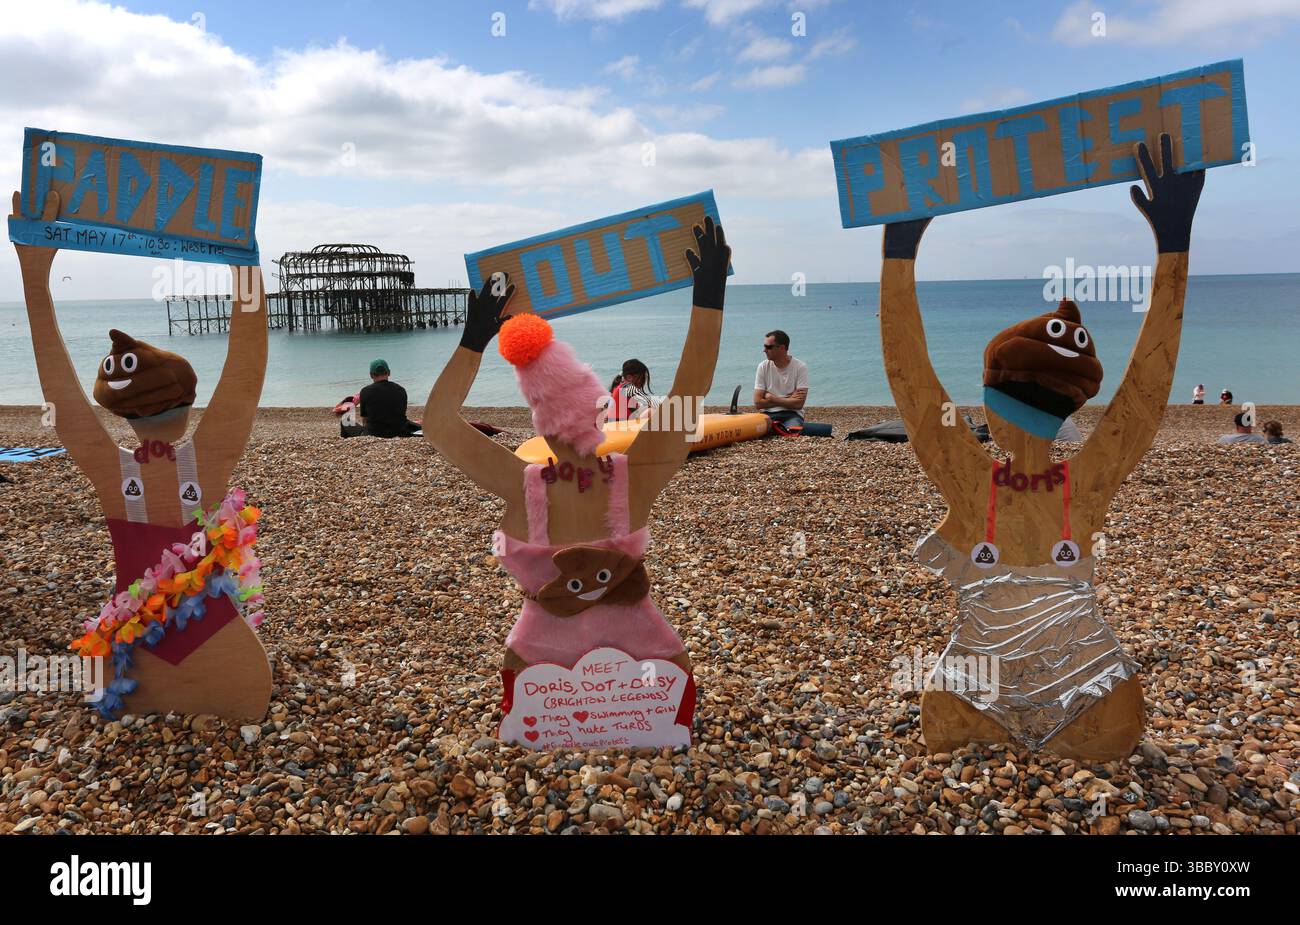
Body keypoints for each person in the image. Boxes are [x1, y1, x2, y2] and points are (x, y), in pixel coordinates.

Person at [877, 134, 1203, 760]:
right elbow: (1147, 390)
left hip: (1048, 697)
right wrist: (1173, 244)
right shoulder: (1083, 481)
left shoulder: (973, 482)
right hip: (1068, 699)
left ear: (993, 415)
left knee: (956, 721)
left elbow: (911, 381)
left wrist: (898, 253)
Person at [424, 217, 730, 748]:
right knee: (669, 671)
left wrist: (474, 337)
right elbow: (689, 391)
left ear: (540, 422)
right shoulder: (633, 474)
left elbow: (438, 424)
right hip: (642, 651)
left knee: (524, 678)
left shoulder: (524, 483)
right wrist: (708, 297)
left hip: (540, 658)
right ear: (599, 408)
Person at [11, 189, 271, 719]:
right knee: (242, 689)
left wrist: (35, 278)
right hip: (231, 665)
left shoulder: (113, 472)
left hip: (123, 662)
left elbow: (59, 395)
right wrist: (243, 263)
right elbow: (245, 373)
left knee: (116, 682)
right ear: (189, 399)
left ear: (118, 410)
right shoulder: (210, 460)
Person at [754, 329, 809, 429]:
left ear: (782, 348)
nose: (764, 350)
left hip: (792, 414)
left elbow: (798, 404)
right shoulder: (763, 366)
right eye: (764, 346)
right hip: (767, 414)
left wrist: (773, 398)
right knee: (754, 432)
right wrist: (788, 399)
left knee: (790, 432)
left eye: (768, 347)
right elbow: (758, 403)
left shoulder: (800, 367)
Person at [358, 359, 420, 437]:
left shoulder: (365, 391)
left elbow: (365, 418)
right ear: (389, 373)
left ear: (371, 375)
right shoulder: (401, 389)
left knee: (345, 422)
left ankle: (347, 442)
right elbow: (401, 413)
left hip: (374, 433)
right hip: (400, 431)